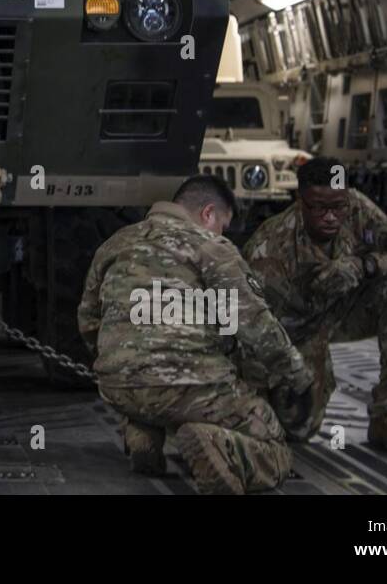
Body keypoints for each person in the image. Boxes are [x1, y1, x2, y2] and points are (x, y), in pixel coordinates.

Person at [77, 175, 314, 494]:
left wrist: (123, 363)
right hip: (186, 388)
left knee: (156, 395)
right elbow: (255, 324)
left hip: (118, 388)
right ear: (207, 214)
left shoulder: (115, 243)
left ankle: (142, 431)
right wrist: (297, 376)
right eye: (223, 225)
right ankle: (216, 444)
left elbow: (89, 320)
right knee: (272, 441)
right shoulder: (212, 247)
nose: (222, 233)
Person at [242, 156, 387, 454]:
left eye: (337, 207)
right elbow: (253, 331)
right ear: (301, 202)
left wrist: (363, 265)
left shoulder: (356, 208)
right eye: (319, 208)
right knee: (298, 427)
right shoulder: (270, 251)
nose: (331, 217)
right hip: (295, 330)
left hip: (346, 307)